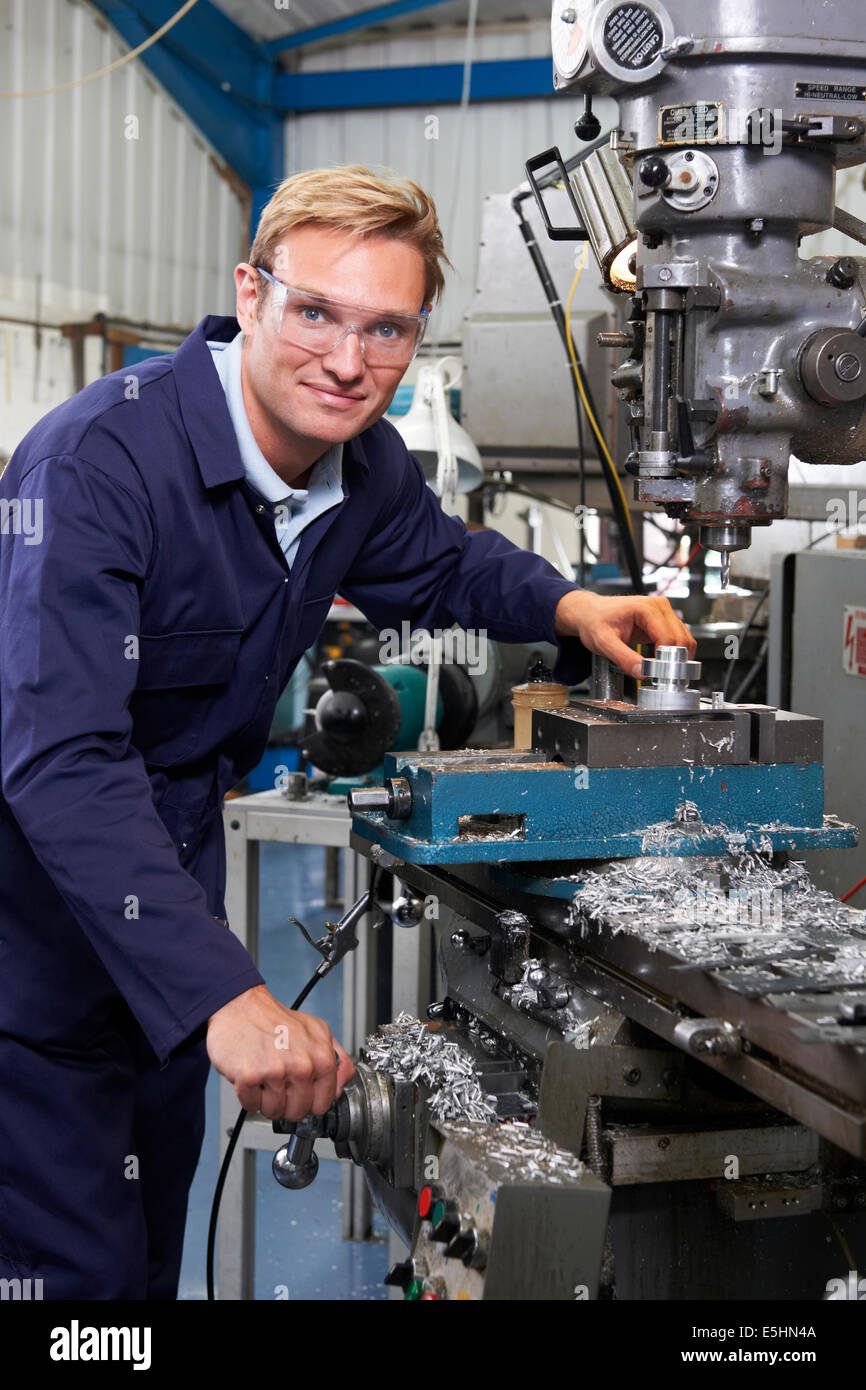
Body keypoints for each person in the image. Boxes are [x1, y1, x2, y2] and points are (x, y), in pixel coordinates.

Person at [0, 165, 694, 1299]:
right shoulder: (100, 465)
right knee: (61, 1275)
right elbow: (61, 761)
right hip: (30, 939)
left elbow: (444, 558)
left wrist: (570, 604)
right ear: (251, 291)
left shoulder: (355, 467)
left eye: (386, 329)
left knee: (137, 1255)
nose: (345, 359)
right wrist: (227, 995)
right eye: (315, 311)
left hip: (164, 925)